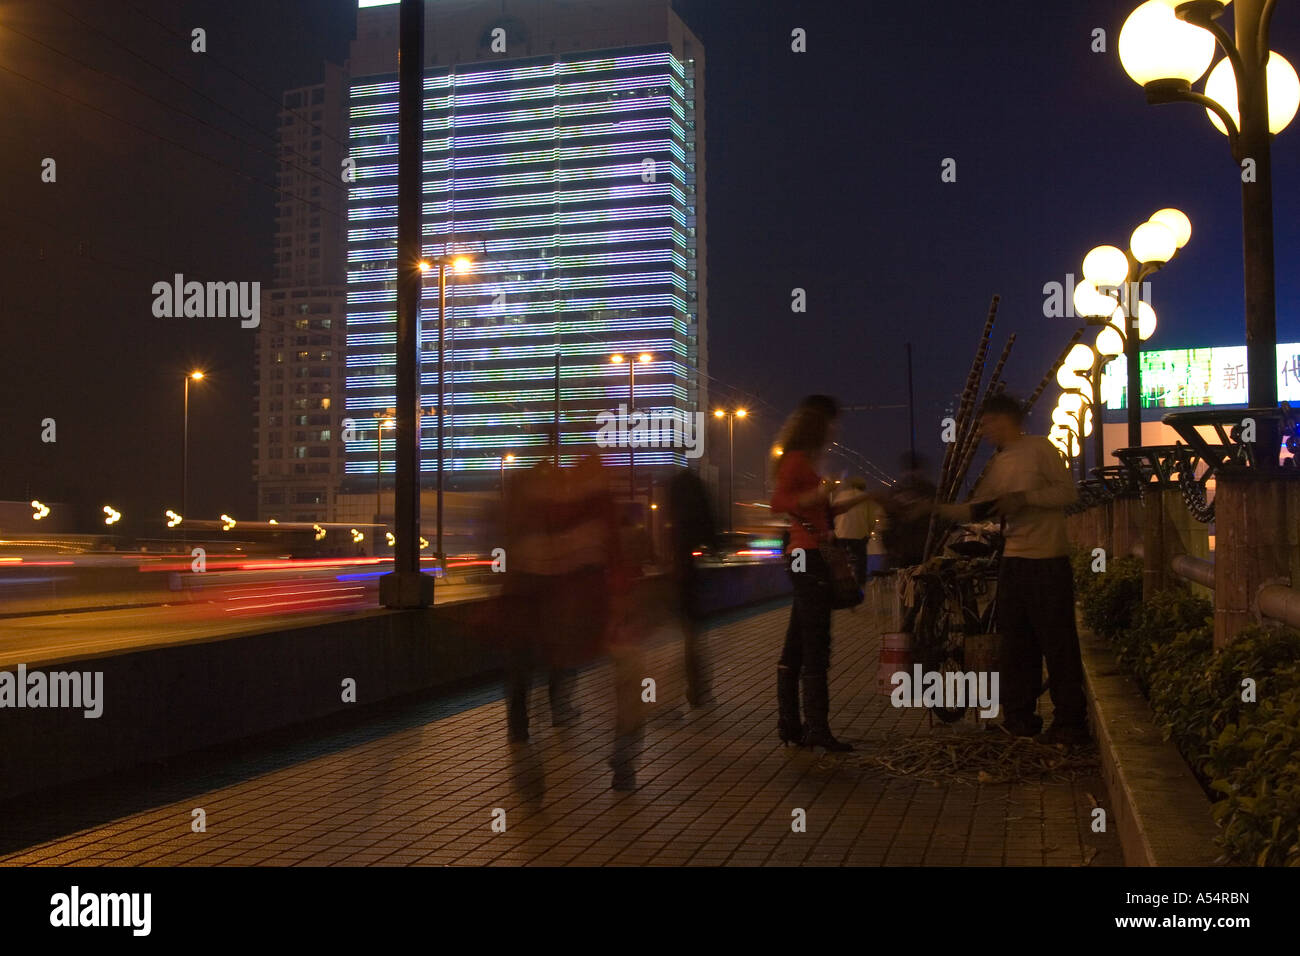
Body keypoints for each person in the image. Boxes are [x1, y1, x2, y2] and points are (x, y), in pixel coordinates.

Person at [936, 393, 1088, 745]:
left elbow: (1068, 494)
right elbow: (983, 507)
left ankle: (1070, 721)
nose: (984, 431)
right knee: (1016, 644)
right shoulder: (1000, 461)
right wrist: (941, 510)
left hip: (1047, 559)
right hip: (1014, 559)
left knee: (1057, 642)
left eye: (987, 423)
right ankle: (1020, 717)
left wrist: (1024, 499)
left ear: (1006, 419)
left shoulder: (1040, 449)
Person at [770, 395, 875, 752]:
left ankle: (790, 724)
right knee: (816, 640)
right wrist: (816, 493)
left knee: (798, 640)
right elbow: (779, 502)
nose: (833, 433)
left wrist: (857, 499)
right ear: (817, 427)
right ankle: (816, 728)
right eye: (830, 427)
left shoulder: (803, 461)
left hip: (807, 555)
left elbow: (822, 511)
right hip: (807, 557)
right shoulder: (796, 460)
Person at [667, 468, 718, 707]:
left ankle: (676, 692)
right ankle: (696, 689)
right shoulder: (696, 493)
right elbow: (709, 528)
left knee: (686, 637)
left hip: (676, 573)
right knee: (693, 637)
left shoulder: (673, 495)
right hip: (691, 576)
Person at [880, 453, 937, 569]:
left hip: (905, 550)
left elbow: (888, 521)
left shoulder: (896, 491)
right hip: (921, 549)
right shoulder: (931, 491)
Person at [832, 476, 875, 587]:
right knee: (861, 561)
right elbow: (871, 520)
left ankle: (842, 584)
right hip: (859, 535)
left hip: (841, 534)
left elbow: (834, 515)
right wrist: (868, 532)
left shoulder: (840, 496)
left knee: (842, 562)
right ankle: (861, 585)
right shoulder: (865, 498)